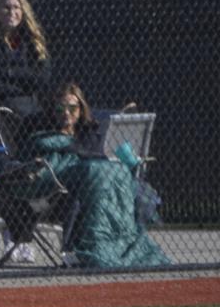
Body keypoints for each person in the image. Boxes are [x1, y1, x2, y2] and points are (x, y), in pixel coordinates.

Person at [24, 82, 170, 270]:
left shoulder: (89, 133)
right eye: (61, 108)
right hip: (61, 191)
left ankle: (119, 244)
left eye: (72, 108)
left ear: (81, 109)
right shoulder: (45, 134)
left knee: (121, 180)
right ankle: (89, 248)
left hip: (95, 191)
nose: (66, 113)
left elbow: (96, 162)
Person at [0, 0, 57, 264]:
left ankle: (24, 235)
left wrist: (9, 72)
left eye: (16, 8)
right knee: (8, 171)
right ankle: (14, 235)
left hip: (29, 117)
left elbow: (42, 78)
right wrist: (20, 79)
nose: (12, 12)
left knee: (37, 170)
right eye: (6, 7)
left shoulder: (32, 42)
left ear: (24, 12)